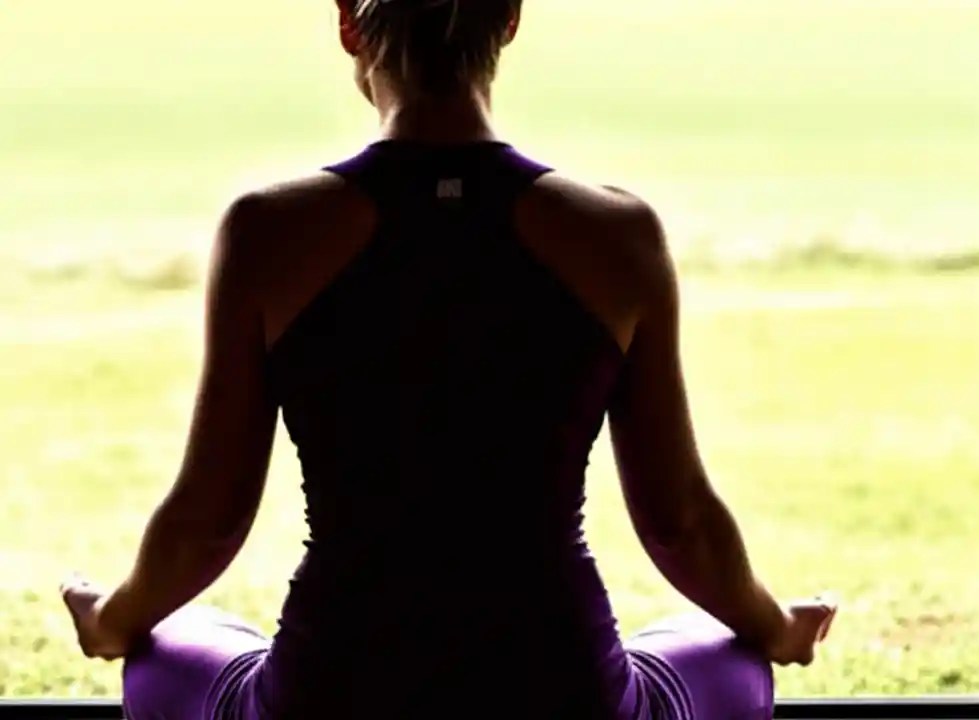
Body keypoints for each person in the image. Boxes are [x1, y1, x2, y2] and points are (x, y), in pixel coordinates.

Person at [59, 0, 838, 717]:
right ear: (508, 17)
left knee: (162, 656)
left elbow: (208, 519)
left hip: (332, 690)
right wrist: (777, 629)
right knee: (732, 663)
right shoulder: (617, 234)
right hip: (561, 691)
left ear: (348, 26)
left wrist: (111, 620)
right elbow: (679, 524)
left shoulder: (268, 232)